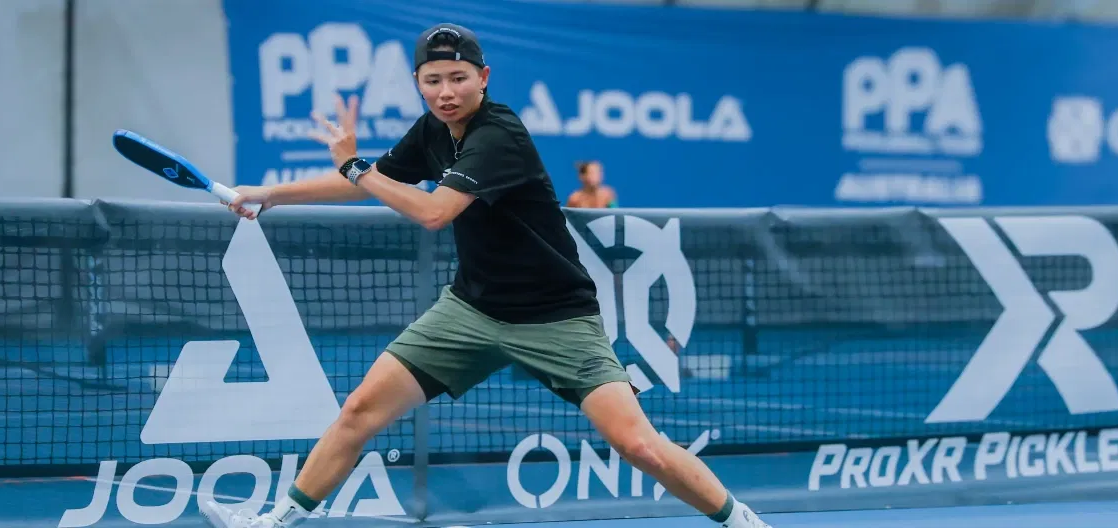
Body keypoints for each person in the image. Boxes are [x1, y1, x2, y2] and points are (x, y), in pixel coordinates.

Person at [203, 24, 771, 528]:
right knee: (358, 412)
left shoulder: (500, 135)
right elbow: (375, 179)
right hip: (470, 310)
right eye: (432, 80)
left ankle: (742, 520)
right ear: (419, 83)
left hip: (556, 317)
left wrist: (353, 164)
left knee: (639, 445)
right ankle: (275, 521)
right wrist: (269, 194)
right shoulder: (431, 131)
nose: (445, 92)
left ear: (483, 77)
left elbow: (431, 212)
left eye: (457, 78)